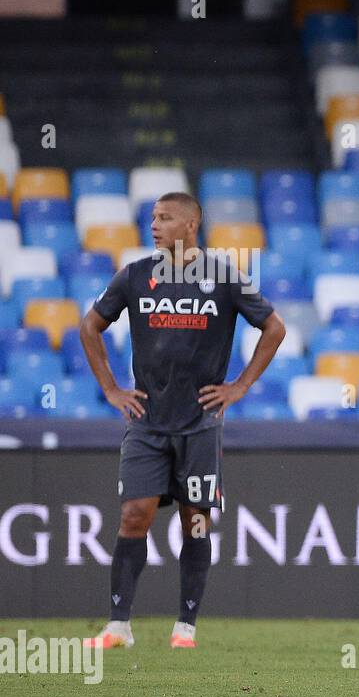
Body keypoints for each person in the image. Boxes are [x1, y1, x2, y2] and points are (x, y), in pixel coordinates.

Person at [81, 191, 286, 649]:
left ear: (191, 226)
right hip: (147, 422)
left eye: (165, 218)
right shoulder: (135, 276)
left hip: (200, 423)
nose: (154, 226)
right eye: (152, 218)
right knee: (134, 515)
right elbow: (89, 326)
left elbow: (274, 328)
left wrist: (239, 386)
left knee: (196, 520)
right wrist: (111, 390)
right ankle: (118, 626)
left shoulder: (224, 278)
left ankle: (185, 627)